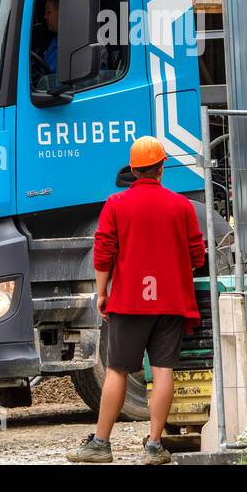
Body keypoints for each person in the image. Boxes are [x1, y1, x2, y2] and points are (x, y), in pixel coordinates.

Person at [66, 136, 206, 465]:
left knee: (116, 371)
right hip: (170, 303)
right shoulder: (182, 206)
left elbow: (103, 253)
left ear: (133, 169)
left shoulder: (116, 205)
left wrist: (102, 293)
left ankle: (101, 444)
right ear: (161, 169)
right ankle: (155, 446)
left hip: (129, 302)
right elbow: (197, 255)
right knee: (163, 371)